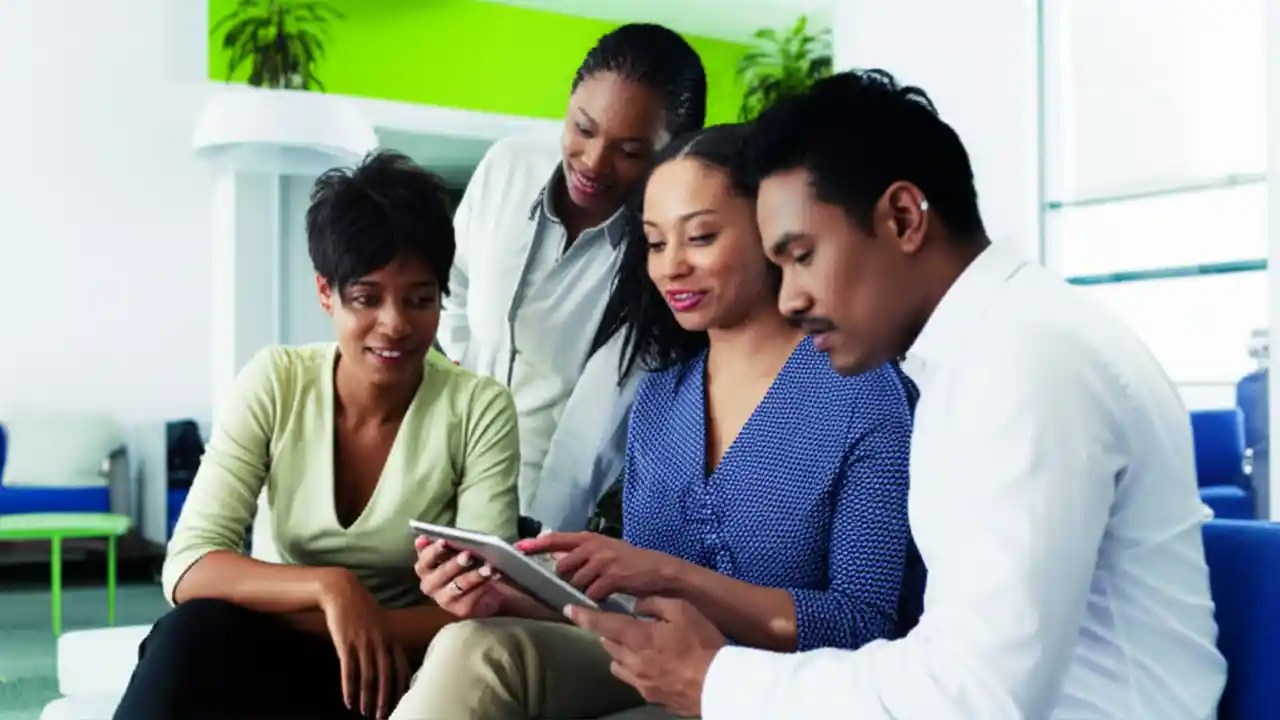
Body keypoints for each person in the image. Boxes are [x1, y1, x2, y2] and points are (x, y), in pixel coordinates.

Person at [565, 70, 1229, 719]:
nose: (791, 297)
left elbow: (973, 697)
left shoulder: (1023, 362)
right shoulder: (976, 354)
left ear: (904, 218)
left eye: (802, 255)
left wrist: (717, 683)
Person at [392, 124, 920, 720]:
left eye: (699, 237)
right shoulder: (661, 403)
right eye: (655, 242)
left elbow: (863, 623)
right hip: (654, 670)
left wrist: (677, 576)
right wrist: (510, 595)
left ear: (772, 230)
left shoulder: (861, 396)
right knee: (475, 647)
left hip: (775, 693)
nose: (672, 267)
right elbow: (636, 611)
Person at [113, 151, 521, 720]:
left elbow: (480, 608)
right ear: (326, 293)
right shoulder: (276, 381)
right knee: (189, 635)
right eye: (367, 297)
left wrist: (361, 627)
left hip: (404, 671)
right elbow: (189, 566)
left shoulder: (478, 408)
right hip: (284, 649)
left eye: (420, 298)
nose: (396, 323)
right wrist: (332, 590)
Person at [438, 23, 708, 532]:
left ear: (673, 155)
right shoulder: (507, 166)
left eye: (630, 152)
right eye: (583, 128)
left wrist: (535, 552)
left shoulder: (666, 263)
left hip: (542, 525)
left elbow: (588, 446)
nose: (593, 163)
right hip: (445, 487)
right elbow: (454, 279)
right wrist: (462, 360)